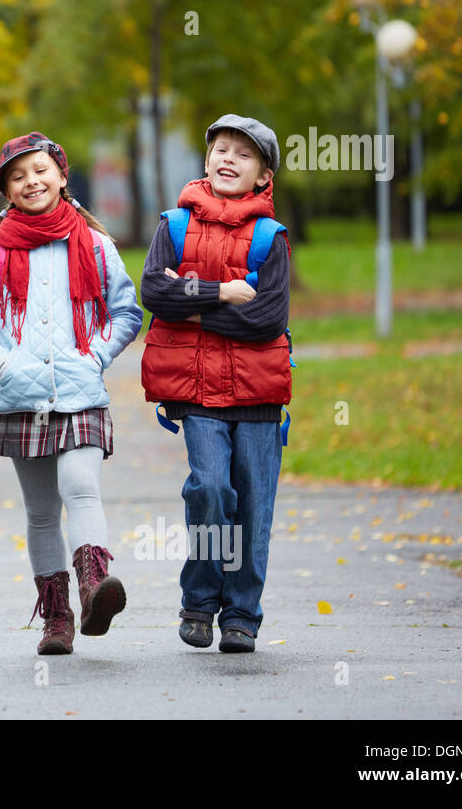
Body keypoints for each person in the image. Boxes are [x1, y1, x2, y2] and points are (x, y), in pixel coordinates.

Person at [0, 132, 143, 655]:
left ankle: (93, 585)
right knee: (39, 510)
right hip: (20, 397)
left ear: (61, 175)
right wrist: (1, 363)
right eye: (17, 176)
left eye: (40, 170)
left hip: (81, 391)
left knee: (80, 484)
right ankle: (56, 618)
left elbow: (127, 313)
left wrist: (95, 356)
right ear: (7, 190)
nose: (31, 181)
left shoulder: (95, 244)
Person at [139, 114, 291, 653]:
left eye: (244, 155)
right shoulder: (174, 226)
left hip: (258, 396)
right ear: (206, 162)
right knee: (210, 488)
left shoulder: (271, 238)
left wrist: (193, 306)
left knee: (253, 506)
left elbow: (268, 319)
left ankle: (241, 614)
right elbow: (155, 293)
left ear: (263, 176)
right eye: (221, 150)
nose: (229, 159)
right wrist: (223, 293)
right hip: (196, 391)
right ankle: (200, 599)